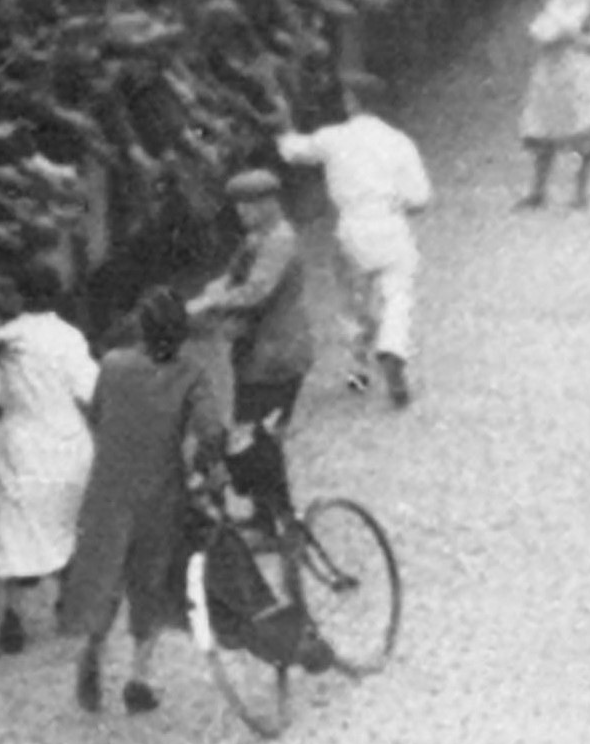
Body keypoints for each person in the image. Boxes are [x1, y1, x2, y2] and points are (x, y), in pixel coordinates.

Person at [55, 287, 225, 716]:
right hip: (160, 494)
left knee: (106, 575)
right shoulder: (192, 372)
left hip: (108, 490)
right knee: (149, 583)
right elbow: (210, 430)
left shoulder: (112, 366)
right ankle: (139, 677)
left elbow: (97, 417)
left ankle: (93, 649)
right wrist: (210, 466)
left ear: (141, 328)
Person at [0, 255, 99, 654]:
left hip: (18, 440)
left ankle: (14, 612)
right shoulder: (69, 337)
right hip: (67, 439)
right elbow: (90, 389)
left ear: (18, 296)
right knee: (67, 521)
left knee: (15, 527)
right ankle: (67, 599)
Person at [276, 71, 432, 406]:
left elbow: (292, 151)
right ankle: (392, 347)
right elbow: (420, 197)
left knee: (353, 302)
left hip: (351, 227)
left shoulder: (335, 137)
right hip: (390, 225)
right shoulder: (399, 142)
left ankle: (357, 369)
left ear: (352, 102)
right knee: (397, 295)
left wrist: (283, 122)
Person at [184, 168, 311, 530]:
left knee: (255, 439)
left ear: (269, 203)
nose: (242, 213)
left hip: (276, 355)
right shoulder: (258, 238)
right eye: (239, 206)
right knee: (255, 437)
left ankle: (272, 518)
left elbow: (256, 291)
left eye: (249, 206)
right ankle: (270, 513)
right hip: (257, 353)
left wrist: (208, 305)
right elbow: (233, 276)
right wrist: (210, 293)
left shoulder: (279, 241)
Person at [520, 0, 590, 209]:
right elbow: (541, 25)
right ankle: (537, 189)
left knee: (582, 127)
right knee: (544, 126)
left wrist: (574, 37)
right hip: (550, 68)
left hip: (578, 67)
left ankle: (580, 191)